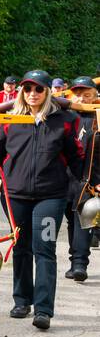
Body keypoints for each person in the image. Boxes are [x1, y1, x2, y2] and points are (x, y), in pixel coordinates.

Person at [0, 70, 85, 329]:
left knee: (44, 249)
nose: (32, 94)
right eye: (27, 89)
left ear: (48, 92)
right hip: (15, 195)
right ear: (21, 92)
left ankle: (43, 309)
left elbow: (77, 157)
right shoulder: (10, 121)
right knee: (21, 247)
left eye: (38, 89)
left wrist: (88, 186)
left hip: (51, 196)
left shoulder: (65, 120)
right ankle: (22, 300)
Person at [64, 76, 100, 281]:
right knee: (70, 220)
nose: (82, 98)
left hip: (89, 177)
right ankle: (74, 261)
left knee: (82, 219)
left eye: (87, 94)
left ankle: (79, 264)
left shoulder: (98, 116)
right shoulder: (63, 116)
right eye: (78, 94)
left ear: (95, 96)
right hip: (63, 176)